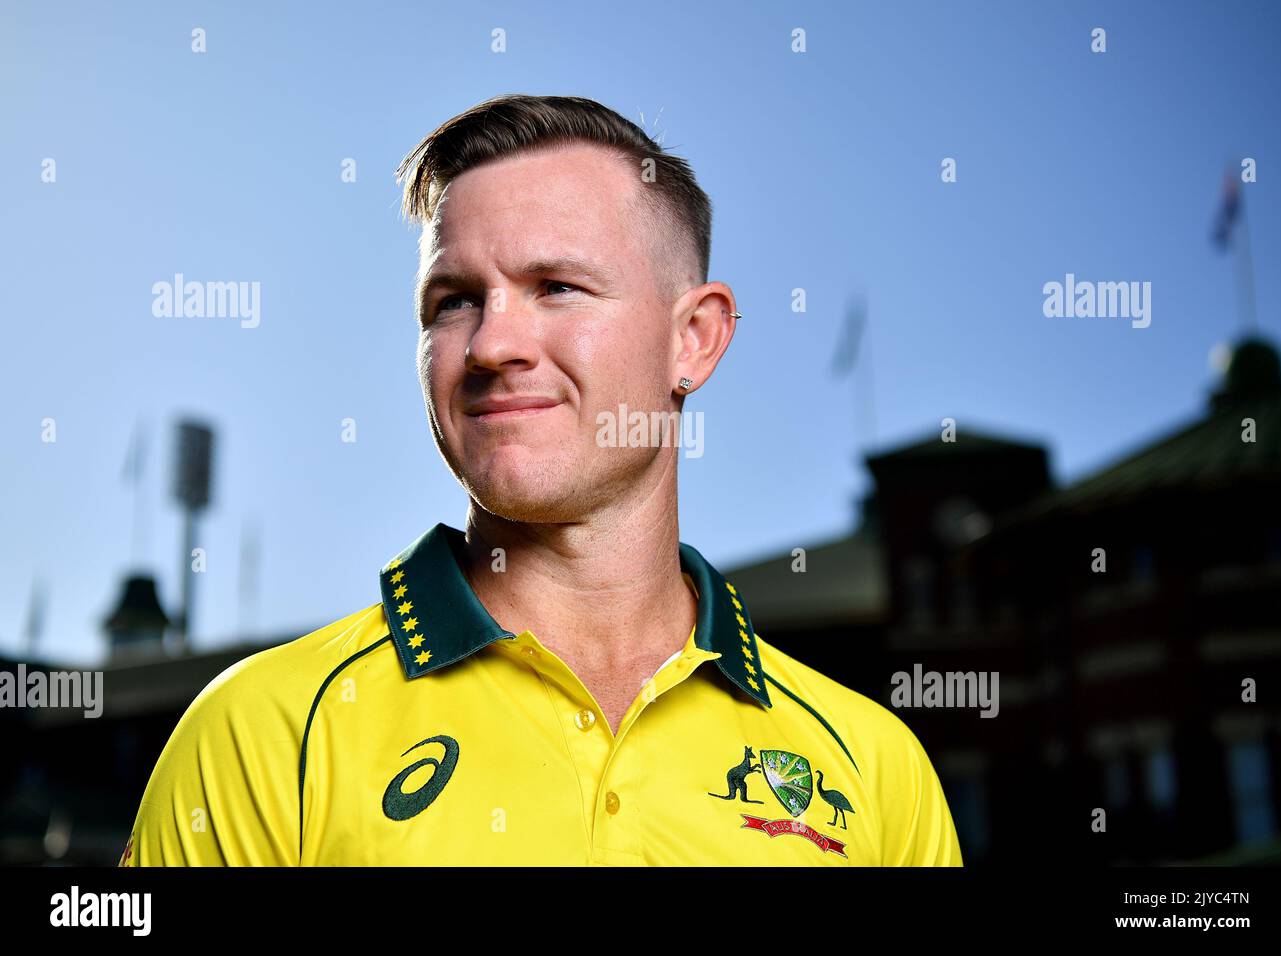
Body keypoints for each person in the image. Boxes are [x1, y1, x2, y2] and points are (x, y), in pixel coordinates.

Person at [120, 93, 962, 866]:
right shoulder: (263, 733)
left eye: (556, 287)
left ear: (695, 340)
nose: (490, 346)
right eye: (453, 300)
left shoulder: (873, 769)